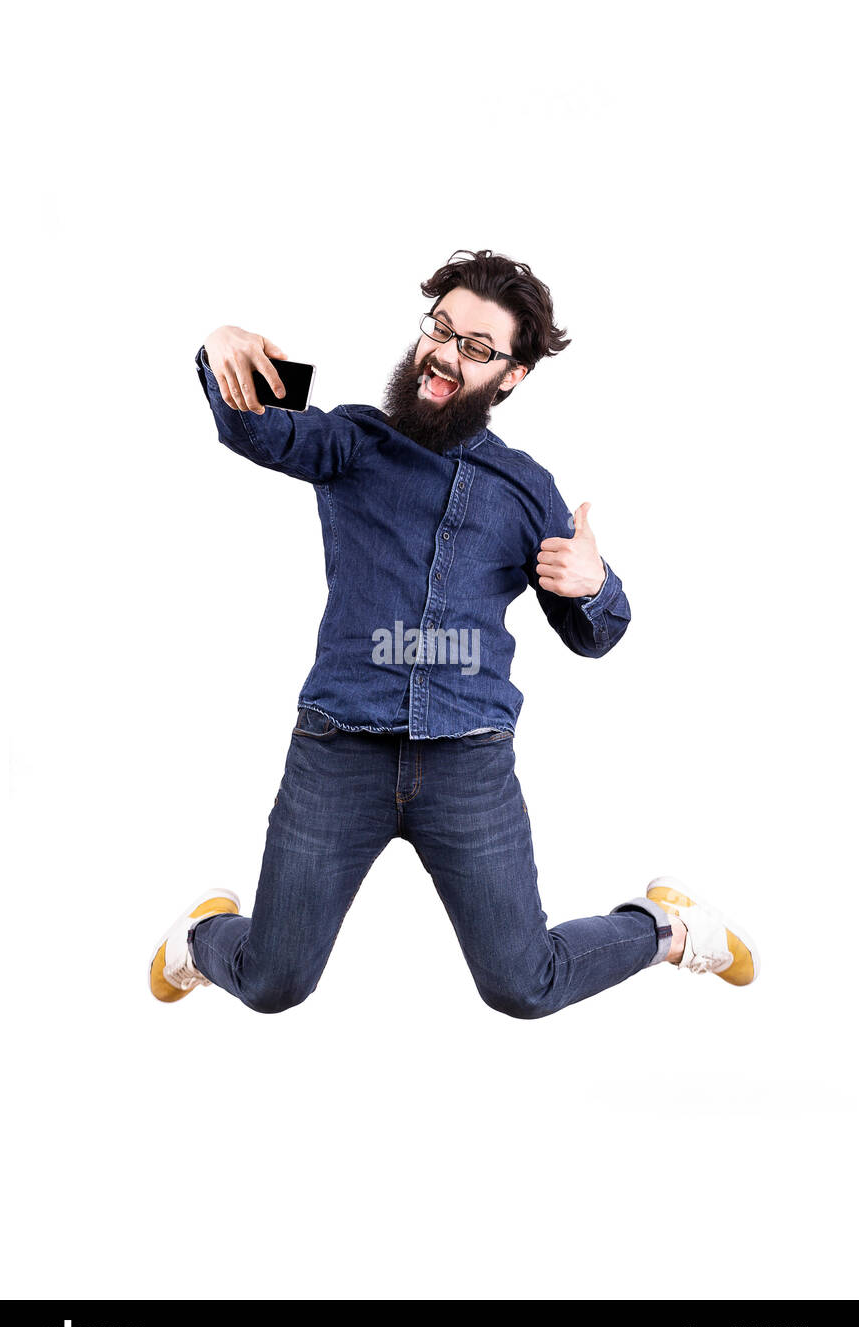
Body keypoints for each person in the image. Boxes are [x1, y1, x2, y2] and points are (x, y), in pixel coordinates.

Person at [149, 249, 759, 1016]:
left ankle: (670, 929)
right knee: (274, 982)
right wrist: (220, 347)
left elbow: (595, 635)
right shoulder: (351, 440)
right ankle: (204, 936)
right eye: (441, 329)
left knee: (525, 983)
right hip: (339, 750)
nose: (446, 353)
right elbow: (256, 427)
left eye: (477, 347)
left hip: (467, 760)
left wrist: (595, 587)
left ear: (512, 375)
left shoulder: (526, 487)